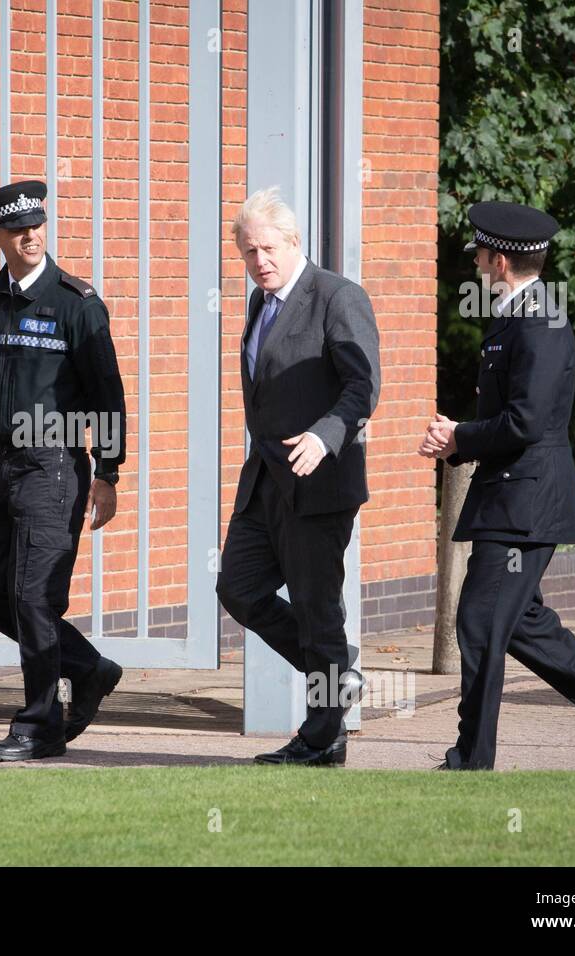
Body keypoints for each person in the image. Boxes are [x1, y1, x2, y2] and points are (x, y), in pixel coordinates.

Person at [418, 200, 575, 771]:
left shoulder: (541, 321)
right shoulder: (518, 315)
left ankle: (471, 759)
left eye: (480, 254)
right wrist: (460, 440)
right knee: (525, 627)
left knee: (479, 621)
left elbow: (526, 422)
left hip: (526, 503)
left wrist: (460, 437)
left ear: (499, 261)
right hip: (511, 497)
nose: (475, 263)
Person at [0, 180, 127, 762]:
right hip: (3, 464)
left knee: (34, 596)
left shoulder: (76, 302)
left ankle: (41, 724)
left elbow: (109, 394)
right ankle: (85, 667)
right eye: (16, 229)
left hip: (54, 466)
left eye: (37, 226)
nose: (29, 236)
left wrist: (109, 471)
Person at [216, 186, 381, 766]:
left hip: (320, 482)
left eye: (267, 248)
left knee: (316, 610)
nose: (259, 261)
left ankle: (322, 738)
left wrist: (325, 434)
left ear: (293, 242)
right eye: (248, 252)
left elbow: (362, 388)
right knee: (236, 588)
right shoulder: (261, 304)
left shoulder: (337, 297)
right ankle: (336, 674)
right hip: (265, 482)